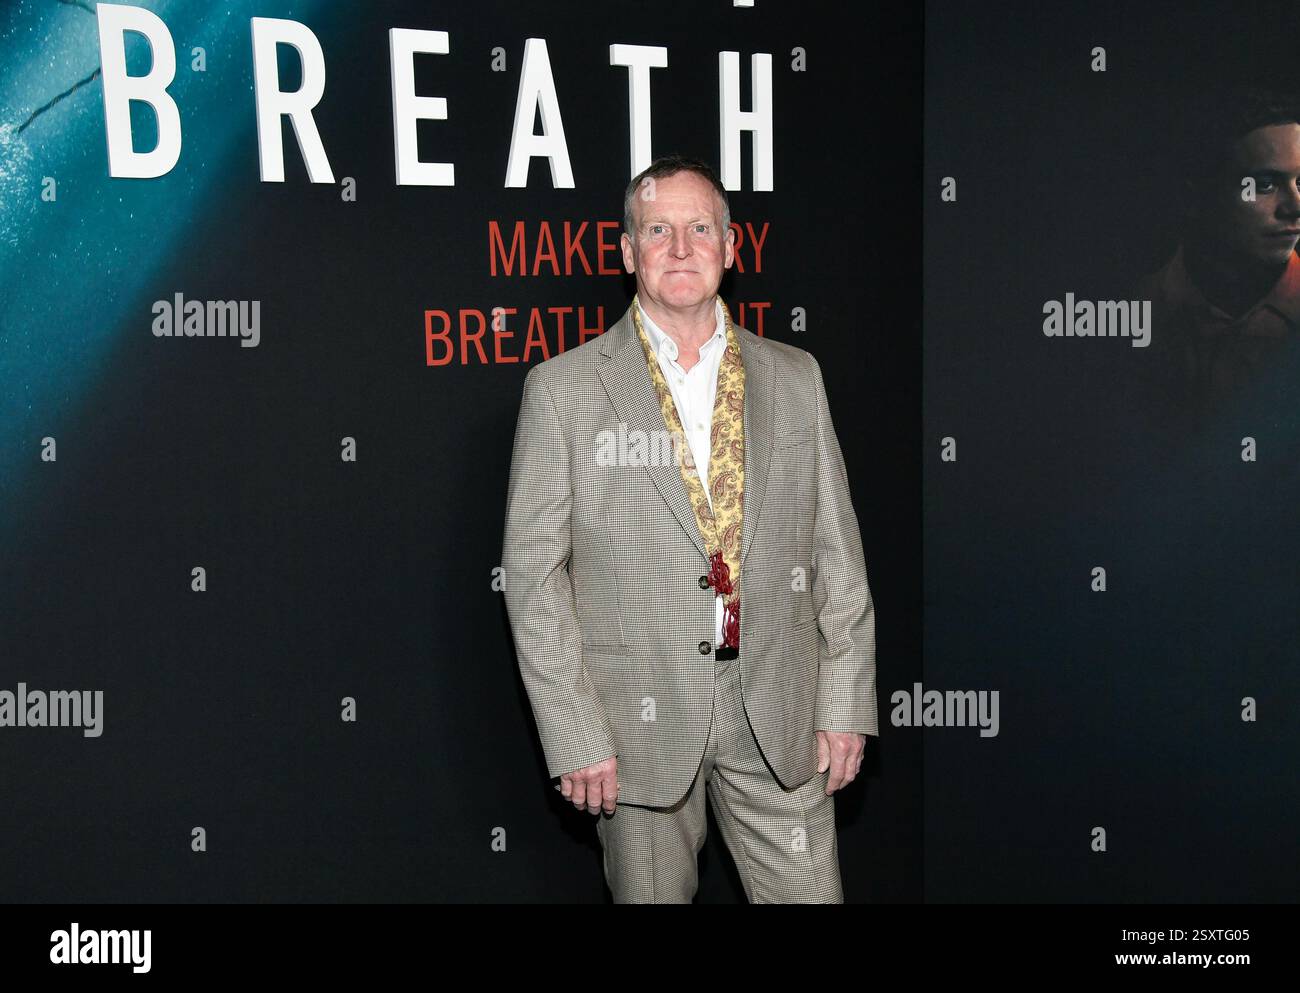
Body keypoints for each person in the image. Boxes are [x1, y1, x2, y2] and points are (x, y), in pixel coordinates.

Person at [501, 154, 877, 903]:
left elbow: (837, 552)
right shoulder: (563, 390)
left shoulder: (795, 376)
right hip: (636, 725)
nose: (680, 248)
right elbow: (534, 579)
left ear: (730, 247)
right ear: (627, 251)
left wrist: (845, 700)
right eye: (658, 230)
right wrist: (575, 731)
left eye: (700, 228)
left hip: (779, 707)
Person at [1137, 86, 1300, 432]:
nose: (1295, 207)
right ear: (1196, 196)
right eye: (1264, 184)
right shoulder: (1134, 315)